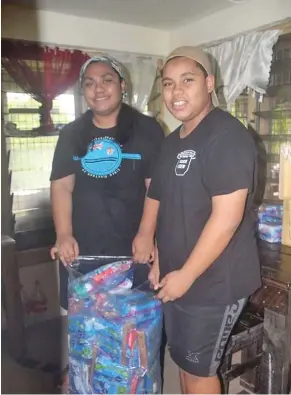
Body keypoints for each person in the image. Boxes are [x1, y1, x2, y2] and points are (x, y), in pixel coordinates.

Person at [133, 46, 261, 394]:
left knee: (200, 370)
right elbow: (163, 200)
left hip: (214, 280)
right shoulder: (173, 141)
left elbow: (227, 218)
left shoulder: (227, 135)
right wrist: (158, 255)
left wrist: (187, 276)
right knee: (186, 364)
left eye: (187, 81)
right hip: (178, 274)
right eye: (169, 83)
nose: (177, 92)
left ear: (208, 83)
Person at [50, 55, 164, 391]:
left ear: (122, 86)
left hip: (133, 254)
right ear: (83, 91)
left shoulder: (146, 130)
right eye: (89, 83)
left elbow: (155, 189)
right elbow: (61, 186)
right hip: (82, 254)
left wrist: (147, 234)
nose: (98, 88)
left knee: (133, 342)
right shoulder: (72, 134)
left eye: (107, 80)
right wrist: (63, 232)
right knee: (87, 340)